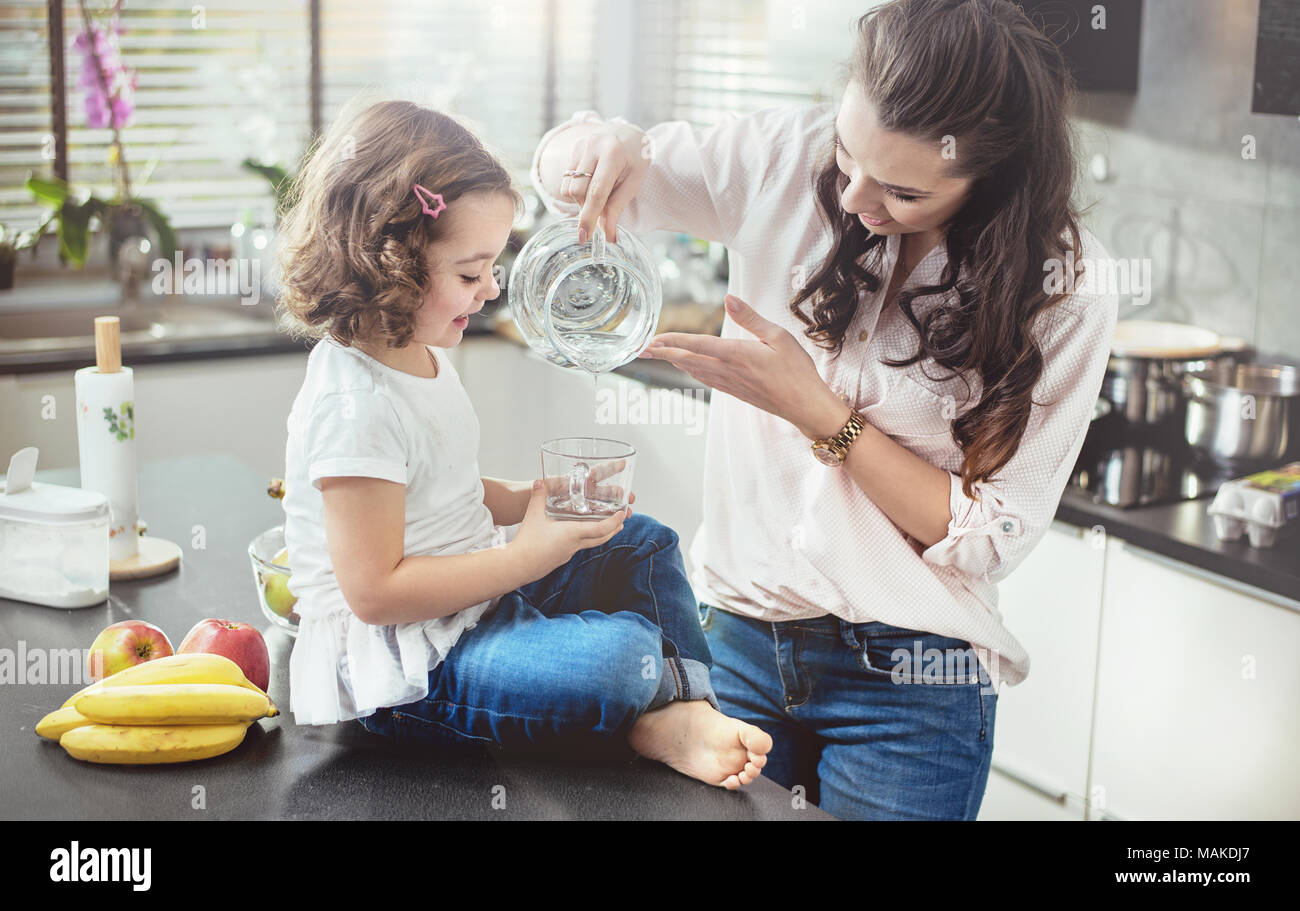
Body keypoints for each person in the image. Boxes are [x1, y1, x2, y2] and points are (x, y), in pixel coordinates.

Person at [532, 0, 1119, 819]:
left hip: (912, 685)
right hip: (734, 639)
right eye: (847, 154)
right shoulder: (782, 155)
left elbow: (989, 537)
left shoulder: (1067, 288)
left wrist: (817, 412)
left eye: (904, 190)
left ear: (993, 173)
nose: (853, 197)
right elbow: (594, 180)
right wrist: (600, 148)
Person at [273, 94, 773, 789]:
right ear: (390, 261)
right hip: (403, 670)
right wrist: (529, 553)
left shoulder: (417, 352)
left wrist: (526, 500)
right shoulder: (352, 404)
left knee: (645, 541)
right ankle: (652, 705)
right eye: (470, 273)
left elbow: (439, 491)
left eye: (492, 269)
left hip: (470, 606)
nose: (490, 291)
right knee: (619, 655)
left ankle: (680, 706)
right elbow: (376, 593)